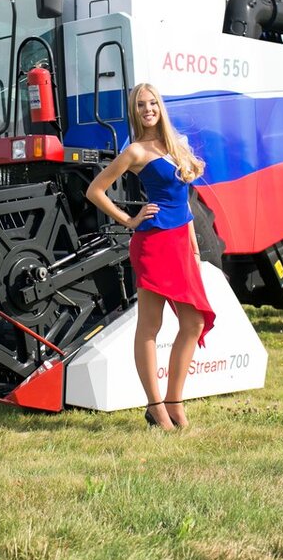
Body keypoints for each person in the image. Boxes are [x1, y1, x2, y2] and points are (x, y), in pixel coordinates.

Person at [85, 83, 216, 429]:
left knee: (193, 322)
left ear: (160, 106)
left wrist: (195, 247)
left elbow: (185, 203)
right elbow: (95, 190)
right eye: (141, 105)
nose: (148, 109)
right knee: (151, 326)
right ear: (135, 111)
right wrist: (129, 219)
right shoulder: (135, 152)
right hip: (153, 244)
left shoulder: (177, 145)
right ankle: (156, 406)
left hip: (180, 244)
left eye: (152, 103)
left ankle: (175, 401)